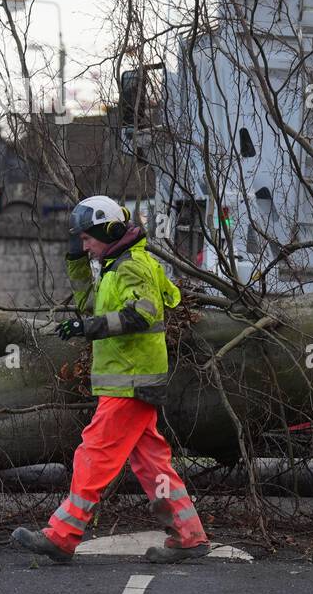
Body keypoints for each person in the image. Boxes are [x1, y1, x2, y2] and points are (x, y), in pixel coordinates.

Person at [12, 195, 211, 564]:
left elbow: (141, 313)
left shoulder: (131, 266)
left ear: (108, 230)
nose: (84, 244)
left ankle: (63, 535)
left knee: (93, 456)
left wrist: (88, 327)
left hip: (131, 382)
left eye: (87, 238)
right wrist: (76, 263)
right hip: (131, 382)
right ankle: (190, 536)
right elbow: (91, 305)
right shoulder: (114, 266)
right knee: (153, 465)